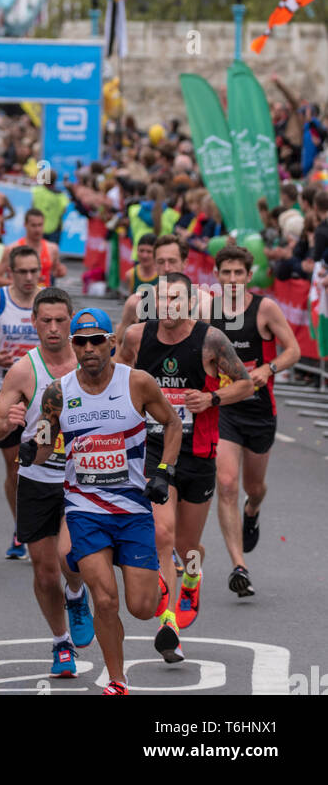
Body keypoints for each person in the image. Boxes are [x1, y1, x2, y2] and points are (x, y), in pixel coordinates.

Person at [24, 307, 182, 696]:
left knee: (142, 607)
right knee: (105, 599)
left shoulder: (138, 383)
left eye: (97, 340)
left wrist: (162, 470)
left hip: (132, 509)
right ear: (73, 346)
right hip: (84, 510)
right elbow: (45, 445)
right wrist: (29, 450)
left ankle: (161, 580)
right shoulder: (59, 392)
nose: (90, 348)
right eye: (81, 342)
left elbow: (173, 423)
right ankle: (117, 680)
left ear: (112, 342)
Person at [118, 272, 253, 663]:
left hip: (199, 452)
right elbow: (118, 378)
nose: (169, 307)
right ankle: (169, 623)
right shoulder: (136, 337)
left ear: (190, 302)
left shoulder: (211, 340)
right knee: (162, 533)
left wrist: (211, 399)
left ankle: (191, 575)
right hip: (154, 448)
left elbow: (245, 385)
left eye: (177, 299)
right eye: (162, 299)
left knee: (186, 546)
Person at [0, 287, 94, 676]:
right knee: (45, 571)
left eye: (60, 320)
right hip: (37, 480)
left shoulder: (91, 360)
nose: (52, 328)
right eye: (44, 321)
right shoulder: (24, 370)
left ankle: (77, 592)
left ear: (71, 321)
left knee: (70, 557)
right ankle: (61, 642)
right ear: (33, 323)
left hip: (83, 480)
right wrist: (7, 421)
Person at [212, 244, 301, 597]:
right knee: (227, 482)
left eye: (238, 273)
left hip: (260, 411)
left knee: (253, 487)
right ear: (217, 275)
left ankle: (254, 509)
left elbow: (293, 349)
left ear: (249, 276)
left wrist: (269, 367)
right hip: (223, 410)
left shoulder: (264, 308)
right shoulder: (208, 310)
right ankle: (239, 566)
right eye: (226, 273)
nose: (232, 279)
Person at [0, 245, 43, 558]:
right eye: (23, 271)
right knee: (15, 465)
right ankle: (22, 526)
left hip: (45, 393)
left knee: (45, 461)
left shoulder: (49, 301)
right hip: (6, 388)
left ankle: (43, 526)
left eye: (34, 270)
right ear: (11, 272)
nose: (29, 277)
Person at [0, 209, 63, 289]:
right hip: (20, 297)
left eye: (40, 225)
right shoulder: (12, 249)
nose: (37, 229)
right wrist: (19, 283)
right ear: (25, 225)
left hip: (43, 298)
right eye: (33, 225)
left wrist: (61, 272)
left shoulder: (53, 248)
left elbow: (56, 271)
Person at [121, 233, 158, 297]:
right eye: (141, 251)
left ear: (157, 253)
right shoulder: (130, 275)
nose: (144, 256)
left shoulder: (164, 274)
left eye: (149, 252)